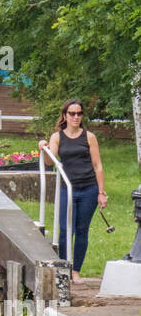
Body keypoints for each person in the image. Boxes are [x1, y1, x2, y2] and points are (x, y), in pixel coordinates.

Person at [41, 101, 107, 282]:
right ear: (65, 116)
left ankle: (75, 271)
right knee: (64, 229)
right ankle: (64, 267)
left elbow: (97, 165)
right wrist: (44, 147)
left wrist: (101, 191)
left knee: (81, 230)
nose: (76, 117)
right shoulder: (57, 137)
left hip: (88, 189)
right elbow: (49, 161)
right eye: (72, 113)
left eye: (79, 113)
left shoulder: (89, 137)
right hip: (66, 189)